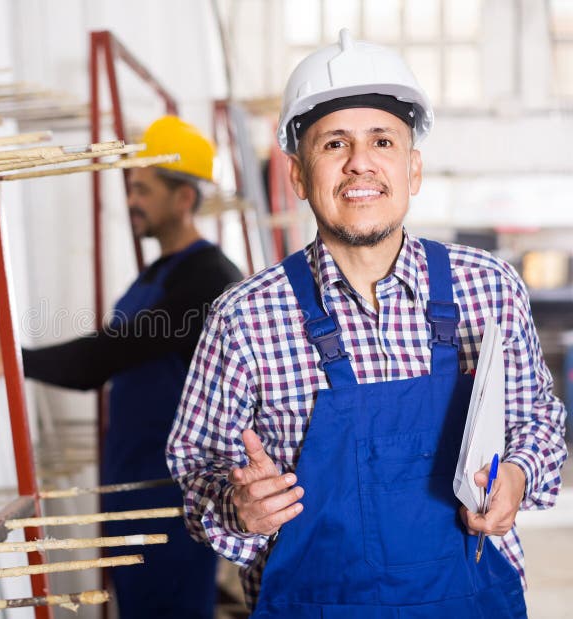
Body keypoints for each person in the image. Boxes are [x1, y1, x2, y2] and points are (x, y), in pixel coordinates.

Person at [166, 29, 567, 618]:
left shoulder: (489, 288)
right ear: (299, 177)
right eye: (334, 144)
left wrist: (516, 474)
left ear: (413, 168)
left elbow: (537, 421)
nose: (361, 163)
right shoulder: (244, 318)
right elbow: (195, 473)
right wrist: (237, 507)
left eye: (382, 140)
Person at [0, 115, 242, 618]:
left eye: (143, 190)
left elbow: (106, 356)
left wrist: (13, 361)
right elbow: (112, 349)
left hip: (172, 498)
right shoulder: (161, 271)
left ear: (184, 199)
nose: (132, 201)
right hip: (130, 481)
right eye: (131, 188)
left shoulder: (208, 279)